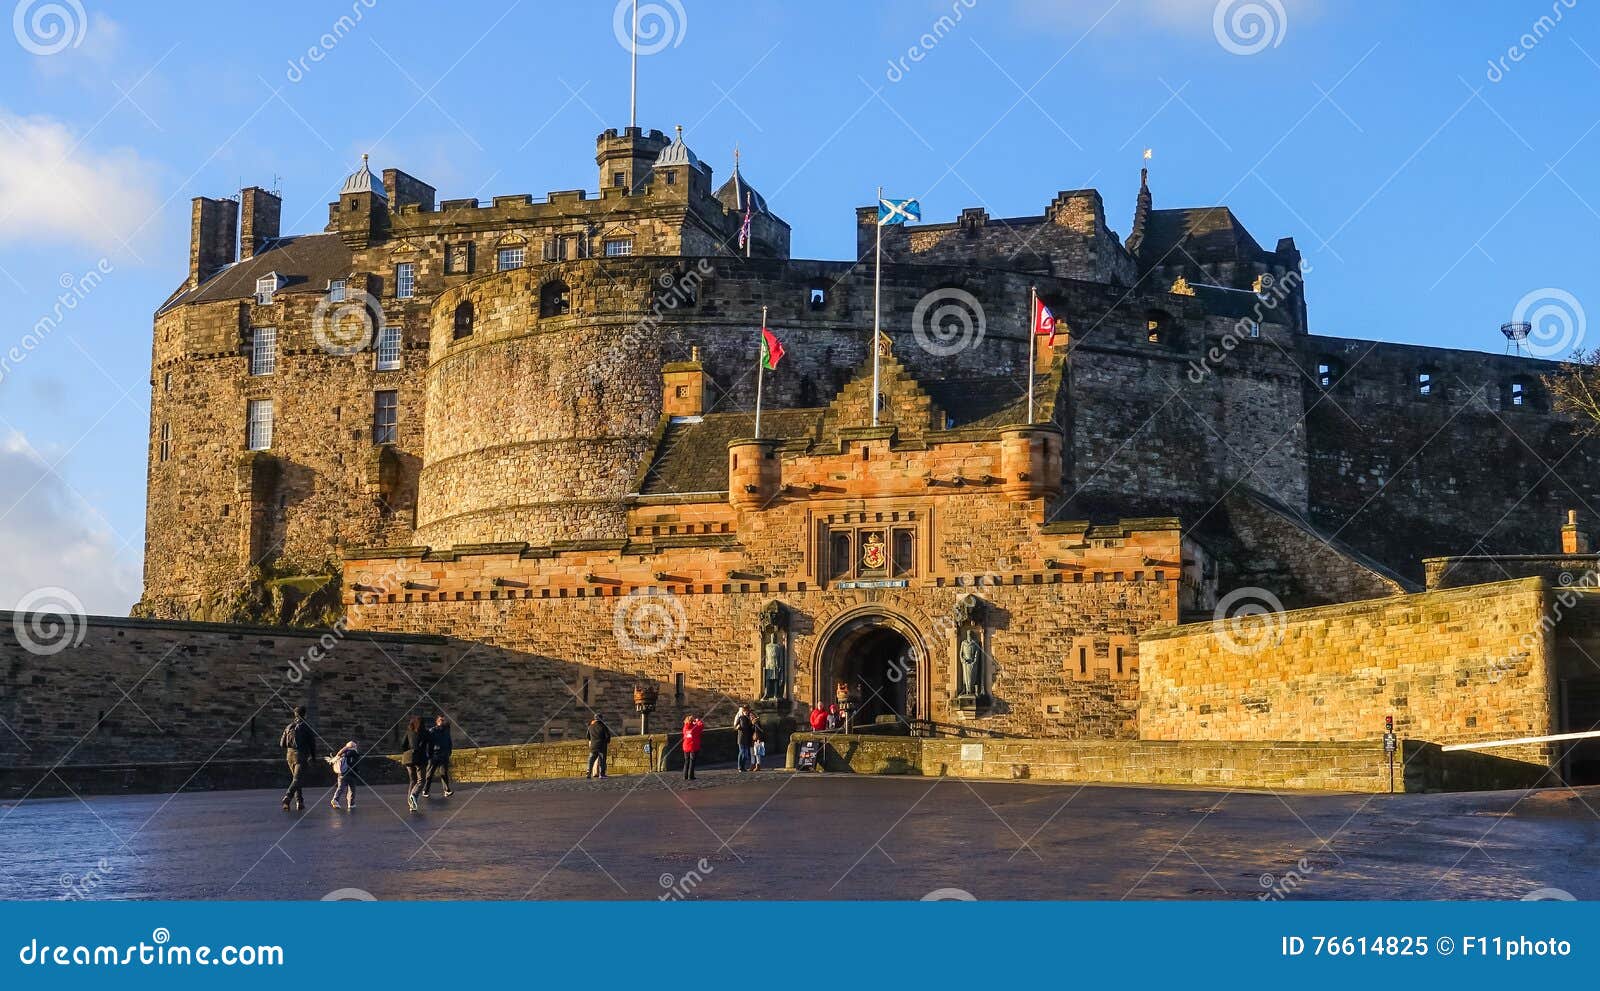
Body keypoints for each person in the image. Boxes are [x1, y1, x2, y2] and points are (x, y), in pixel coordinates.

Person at [279, 705, 316, 812]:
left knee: (296, 780)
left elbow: (282, 744)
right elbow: (312, 744)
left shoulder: (288, 726)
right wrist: (313, 757)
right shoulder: (307, 727)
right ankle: (287, 797)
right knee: (297, 779)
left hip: (289, 756)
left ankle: (300, 803)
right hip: (301, 755)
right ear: (305, 714)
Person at [401, 716, 429, 812]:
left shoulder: (408, 732)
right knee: (421, 780)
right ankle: (414, 795)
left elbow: (403, 744)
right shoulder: (425, 733)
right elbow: (430, 745)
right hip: (420, 758)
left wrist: (408, 752)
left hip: (408, 758)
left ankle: (411, 804)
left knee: (413, 780)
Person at [422, 715, 453, 798]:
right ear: (437, 721)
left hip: (444, 755)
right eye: (440, 720)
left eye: (443, 720)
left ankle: (447, 790)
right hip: (434, 755)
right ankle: (425, 790)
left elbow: (449, 742)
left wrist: (449, 752)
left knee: (444, 773)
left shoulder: (446, 731)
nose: (442, 722)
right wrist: (429, 755)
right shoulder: (432, 731)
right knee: (430, 774)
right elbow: (428, 744)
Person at [326, 740, 360, 812]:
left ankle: (335, 799)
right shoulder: (354, 753)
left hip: (341, 774)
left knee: (340, 788)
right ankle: (351, 804)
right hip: (351, 775)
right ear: (354, 747)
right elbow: (356, 765)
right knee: (352, 789)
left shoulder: (341, 754)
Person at [586, 713, 612, 779]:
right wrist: (607, 741)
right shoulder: (603, 726)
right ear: (601, 719)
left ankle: (588, 772)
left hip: (593, 746)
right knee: (602, 760)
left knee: (591, 759)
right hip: (602, 746)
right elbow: (607, 736)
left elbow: (588, 736)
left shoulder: (590, 727)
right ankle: (602, 774)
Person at [681, 715, 704, 781]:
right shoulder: (695, 727)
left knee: (686, 761)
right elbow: (701, 726)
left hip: (686, 746)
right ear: (692, 721)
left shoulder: (685, 728)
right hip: (693, 746)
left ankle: (685, 776)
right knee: (692, 761)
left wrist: (694, 723)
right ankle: (690, 776)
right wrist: (697, 721)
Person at [734, 707, 756, 772]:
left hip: (747, 739)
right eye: (744, 711)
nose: (746, 712)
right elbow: (735, 727)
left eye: (747, 711)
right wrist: (737, 727)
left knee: (745, 755)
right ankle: (739, 767)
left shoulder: (749, 719)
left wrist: (753, 724)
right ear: (743, 712)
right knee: (742, 753)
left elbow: (750, 729)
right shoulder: (740, 718)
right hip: (741, 738)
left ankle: (743, 767)